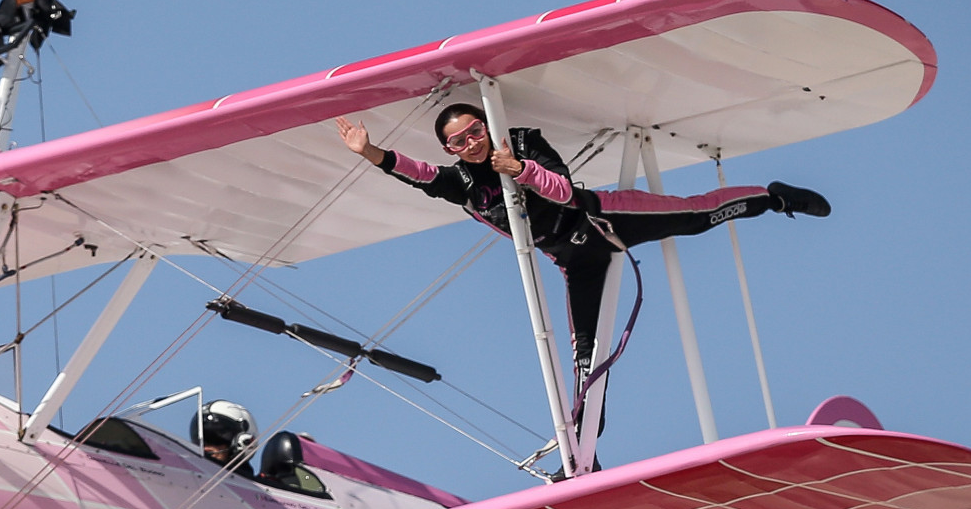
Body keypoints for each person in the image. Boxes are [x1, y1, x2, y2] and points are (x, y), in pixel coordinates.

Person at [332, 104, 829, 398]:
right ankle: (584, 449)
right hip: (574, 260)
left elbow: (564, 191)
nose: (470, 143)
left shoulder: (522, 141)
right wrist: (369, 151)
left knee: (696, 216)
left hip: (603, 218)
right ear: (450, 150)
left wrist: (519, 169)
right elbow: (415, 173)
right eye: (458, 142)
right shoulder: (458, 182)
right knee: (585, 358)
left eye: (475, 131)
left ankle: (774, 197)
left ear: (487, 125)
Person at [192, 400, 257, 476]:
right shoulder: (187, 478)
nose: (205, 448)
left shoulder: (250, 483)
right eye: (199, 440)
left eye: (215, 438)